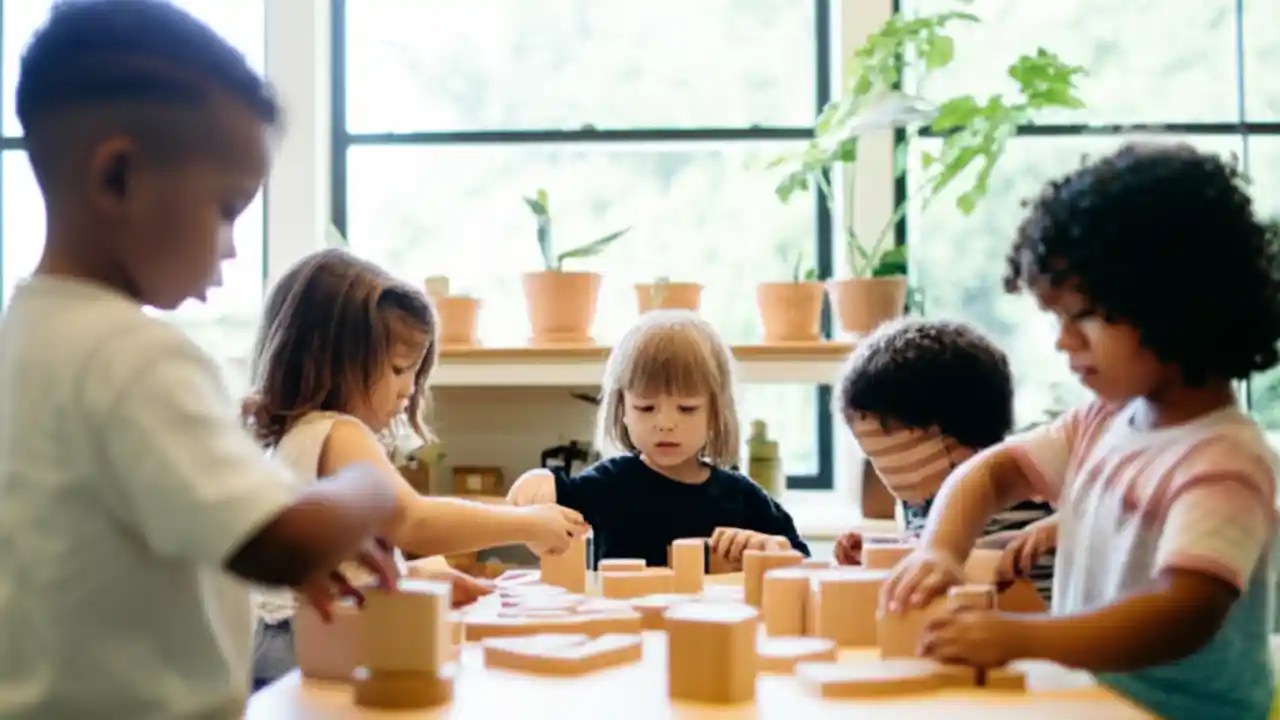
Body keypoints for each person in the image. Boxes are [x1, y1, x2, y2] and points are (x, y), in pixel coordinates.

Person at [0, 2, 401, 717]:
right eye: (226, 207)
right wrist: (372, 491)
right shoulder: (132, 355)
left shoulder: (27, 340)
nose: (232, 247)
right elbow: (281, 542)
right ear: (117, 177)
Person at [880, 143, 1280, 720]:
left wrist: (1023, 637)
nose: (1064, 341)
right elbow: (995, 471)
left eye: (1083, 315)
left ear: (1177, 305)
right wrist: (941, 549)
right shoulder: (1105, 418)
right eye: (1057, 318)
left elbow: (1184, 610)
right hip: (1093, 700)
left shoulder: (1223, 462)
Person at [244, 248, 590, 688]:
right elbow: (412, 520)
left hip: (288, 641)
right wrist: (526, 523)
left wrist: (414, 576)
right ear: (322, 358)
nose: (409, 389)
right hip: (309, 644)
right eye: (396, 369)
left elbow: (345, 560)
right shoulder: (337, 432)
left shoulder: (298, 438)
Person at [507, 310, 809, 569]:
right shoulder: (609, 484)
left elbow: (801, 563)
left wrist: (773, 549)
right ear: (622, 409)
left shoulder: (742, 497)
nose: (665, 424)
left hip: (711, 633)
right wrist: (535, 483)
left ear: (716, 413)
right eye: (646, 407)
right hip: (627, 631)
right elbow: (546, 509)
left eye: (687, 408)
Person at [831, 318, 1056, 604]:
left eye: (885, 451)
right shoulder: (919, 504)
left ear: (953, 442)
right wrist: (879, 554)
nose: (883, 471)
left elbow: (979, 564)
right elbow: (927, 563)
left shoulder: (1026, 494)